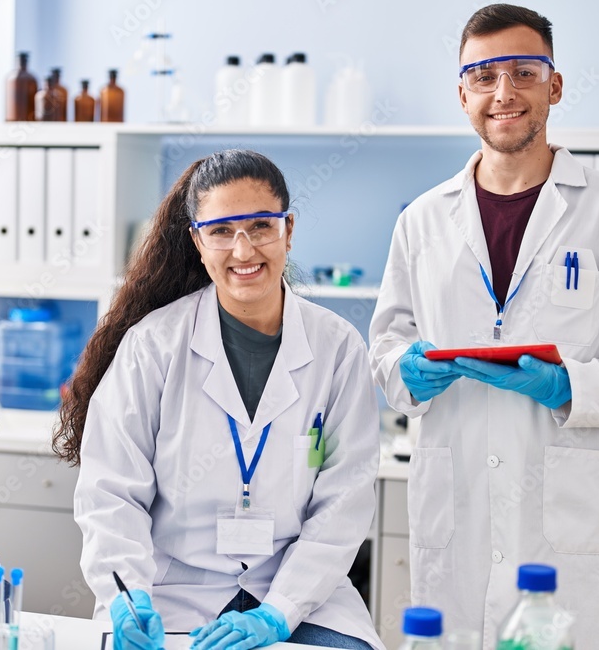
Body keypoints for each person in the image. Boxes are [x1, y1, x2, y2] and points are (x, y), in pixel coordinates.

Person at [368, 3, 599, 650]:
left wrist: (574, 386)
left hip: (566, 529)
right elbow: (385, 345)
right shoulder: (423, 220)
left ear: (555, 85)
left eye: (524, 71)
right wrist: (404, 367)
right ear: (462, 93)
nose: (504, 92)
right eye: (484, 75)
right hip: (455, 513)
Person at [55, 149, 384, 650]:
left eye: (260, 226)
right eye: (222, 231)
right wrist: (127, 595)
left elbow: (345, 502)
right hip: (173, 587)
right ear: (198, 242)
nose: (243, 249)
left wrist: (280, 611)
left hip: (296, 590)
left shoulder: (337, 348)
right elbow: (110, 490)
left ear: (288, 231)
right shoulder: (154, 344)